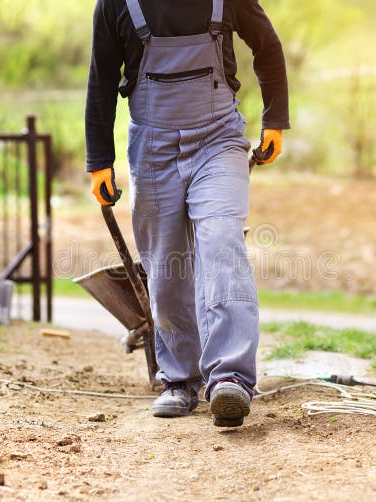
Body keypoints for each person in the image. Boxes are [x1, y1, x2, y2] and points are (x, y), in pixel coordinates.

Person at [85, 0, 289, 427]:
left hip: (218, 139)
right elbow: (101, 79)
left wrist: (275, 119)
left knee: (221, 242)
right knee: (166, 261)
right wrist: (99, 159)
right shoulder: (117, 5)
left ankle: (230, 377)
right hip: (153, 146)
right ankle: (180, 379)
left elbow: (266, 45)